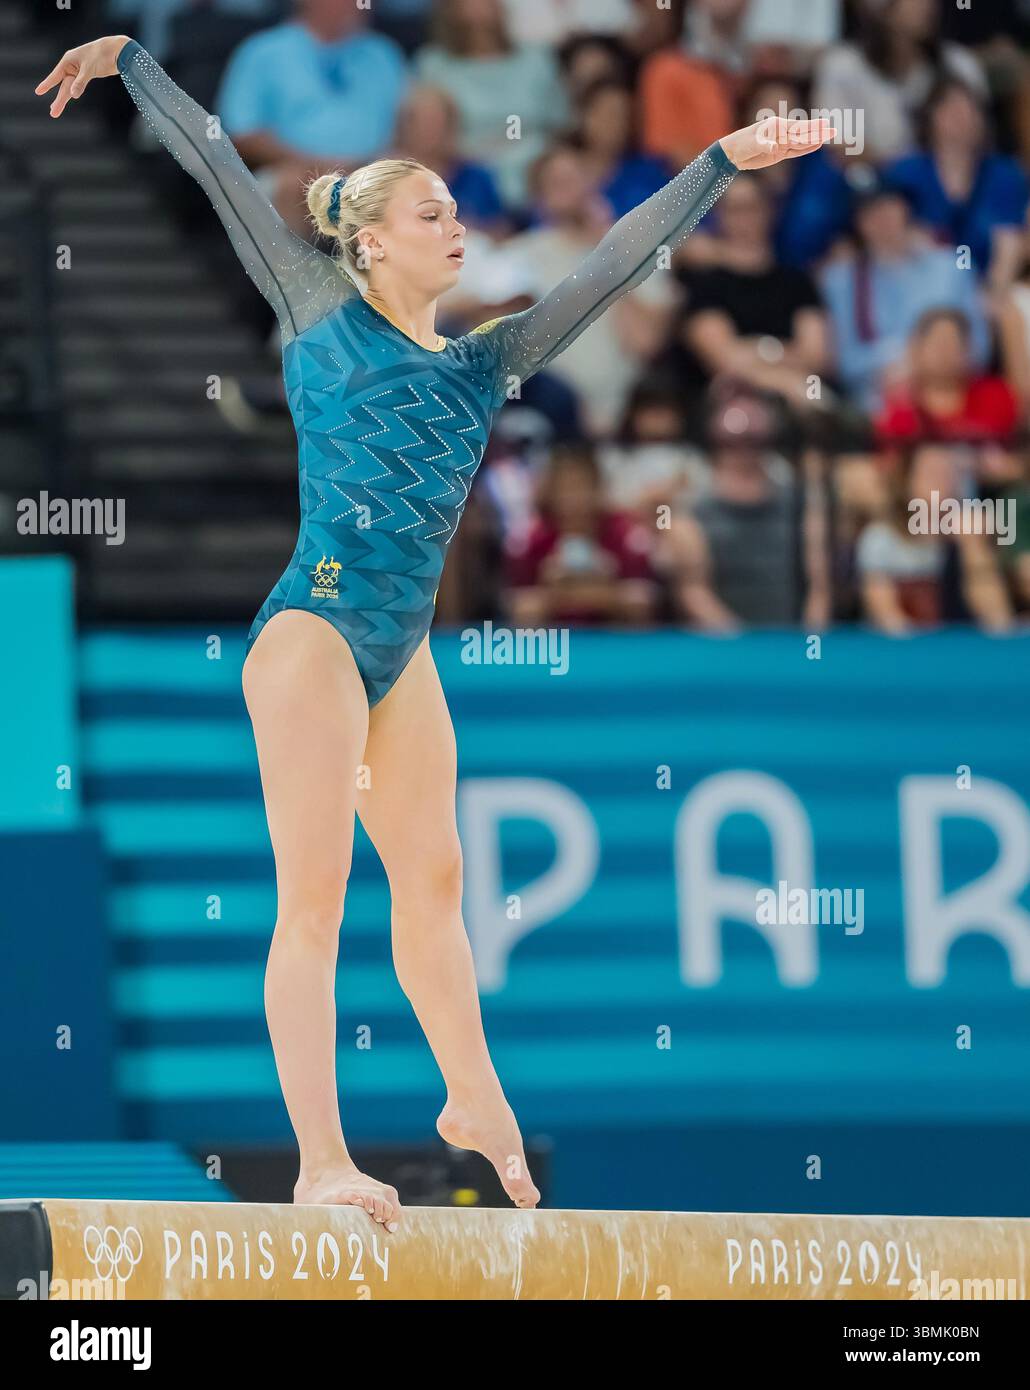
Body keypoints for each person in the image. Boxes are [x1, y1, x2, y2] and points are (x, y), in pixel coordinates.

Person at [38, 30, 833, 1226]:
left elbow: (615, 264)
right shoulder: (318, 313)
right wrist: (135, 63)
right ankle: (319, 1157)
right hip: (310, 629)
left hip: (398, 652)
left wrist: (720, 158)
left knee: (437, 879)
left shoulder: (484, 364)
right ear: (367, 243)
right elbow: (216, 167)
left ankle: (471, 1096)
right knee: (314, 896)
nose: (457, 226)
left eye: (459, 210)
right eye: (431, 214)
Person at [215, 0, 409, 232]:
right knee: (292, 185)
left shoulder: (383, 53)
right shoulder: (263, 51)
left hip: (372, 171)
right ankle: (290, 268)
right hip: (293, 171)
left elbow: (409, 124)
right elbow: (242, 133)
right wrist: (315, 166)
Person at [820, 177, 990, 414]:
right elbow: (846, 363)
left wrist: (927, 364)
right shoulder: (842, 280)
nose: (881, 218)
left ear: (905, 209)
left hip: (954, 394)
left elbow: (979, 347)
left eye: (889, 206)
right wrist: (903, 360)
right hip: (880, 403)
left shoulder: (951, 267)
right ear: (857, 223)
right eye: (869, 212)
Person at [414, 0, 569, 210]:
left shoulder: (536, 60)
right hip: (464, 185)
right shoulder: (434, 65)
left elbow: (562, 128)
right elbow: (424, 133)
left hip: (538, 181)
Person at [884, 78, 1030, 294]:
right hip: (917, 288)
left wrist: (994, 292)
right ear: (931, 117)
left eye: (971, 110)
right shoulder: (905, 173)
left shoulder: (1006, 175)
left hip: (993, 290)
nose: (963, 118)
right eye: (952, 109)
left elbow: (1013, 240)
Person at [812, 0, 987, 164]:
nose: (927, 5)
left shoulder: (959, 64)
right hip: (866, 187)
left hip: (943, 188)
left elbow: (980, 140)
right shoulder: (842, 66)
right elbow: (838, 145)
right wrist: (901, 171)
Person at [505, 446, 658, 627]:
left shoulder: (628, 533)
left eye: (581, 487)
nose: (574, 499)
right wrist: (551, 585)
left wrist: (605, 583)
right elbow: (520, 608)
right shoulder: (528, 538)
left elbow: (642, 604)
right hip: (552, 643)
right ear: (549, 493)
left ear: (599, 489)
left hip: (613, 639)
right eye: (565, 489)